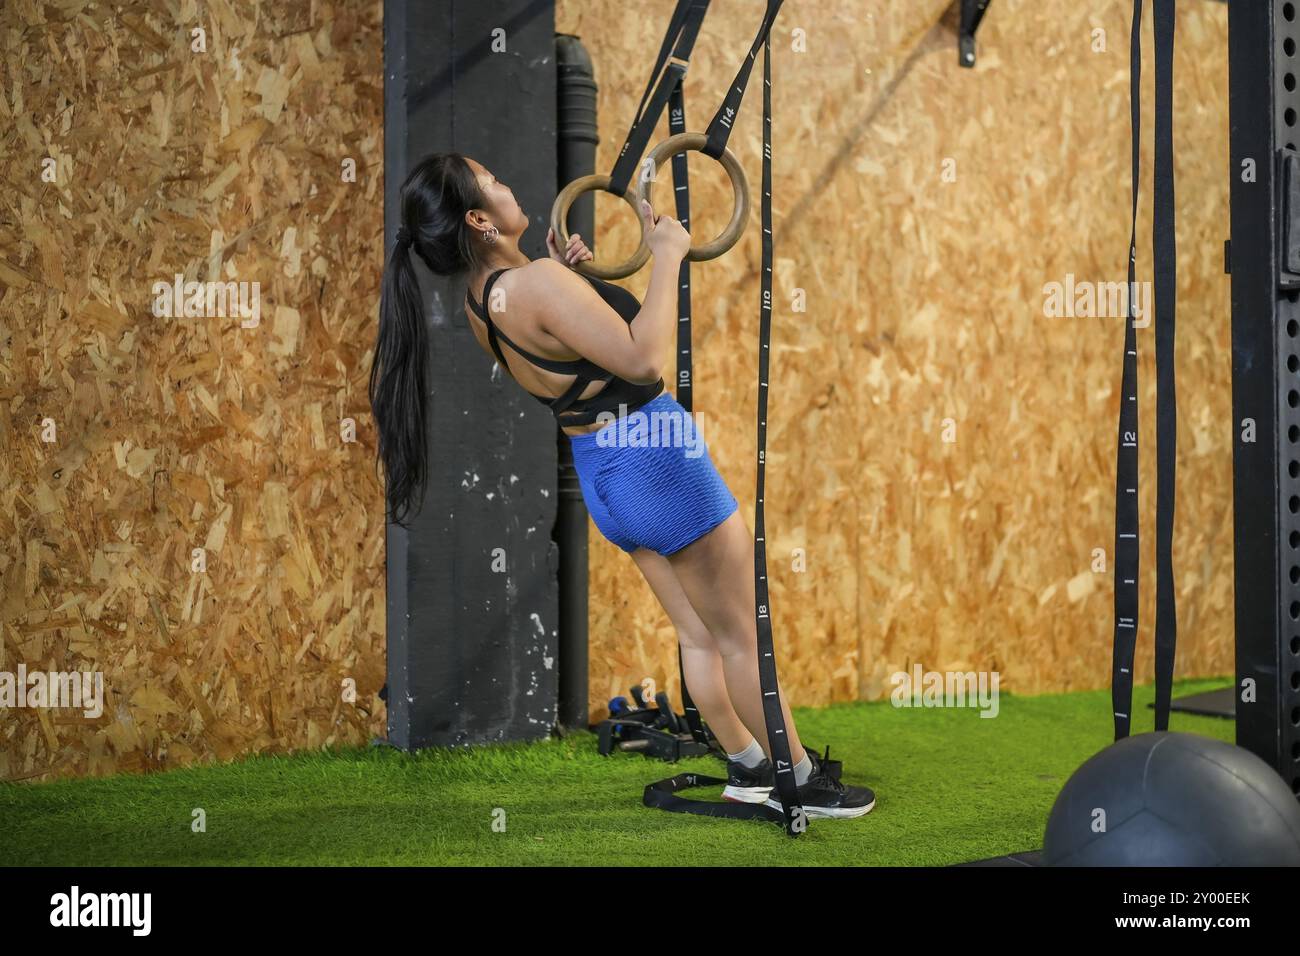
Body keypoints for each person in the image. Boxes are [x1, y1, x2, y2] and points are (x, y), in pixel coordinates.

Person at [369, 151, 873, 819]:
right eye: (493, 181)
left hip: (606, 475)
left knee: (700, 637)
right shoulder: (537, 283)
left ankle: (749, 766)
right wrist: (667, 253)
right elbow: (640, 356)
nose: (508, 183)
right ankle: (801, 781)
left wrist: (580, 284)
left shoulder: (484, 300)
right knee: (740, 636)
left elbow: (566, 348)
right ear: (477, 219)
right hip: (655, 458)